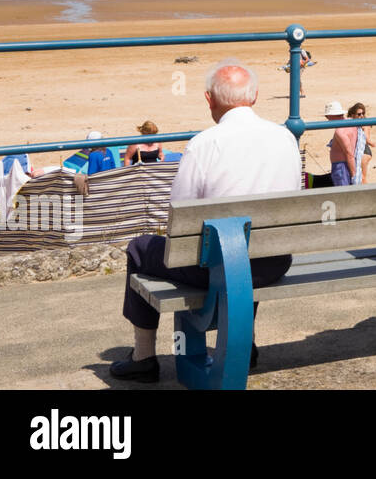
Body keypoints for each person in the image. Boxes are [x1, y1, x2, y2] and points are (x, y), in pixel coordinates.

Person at [111, 60, 301, 382]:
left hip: (217, 271)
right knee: (247, 245)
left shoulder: (204, 144)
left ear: (209, 100)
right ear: (254, 97)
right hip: (274, 263)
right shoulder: (286, 139)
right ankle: (245, 343)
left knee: (139, 249)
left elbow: (179, 217)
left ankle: (143, 357)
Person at [325, 101, 359, 186]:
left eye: (327, 117)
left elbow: (348, 153)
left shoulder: (340, 131)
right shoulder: (351, 123)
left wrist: (354, 175)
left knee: (343, 195)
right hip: (351, 163)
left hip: (341, 167)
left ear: (330, 116)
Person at [347, 102, 373, 184]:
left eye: (363, 113)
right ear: (352, 115)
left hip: (364, 152)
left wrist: (372, 143)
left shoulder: (365, 124)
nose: (361, 116)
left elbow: (367, 139)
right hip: (356, 152)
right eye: (359, 114)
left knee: (362, 177)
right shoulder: (349, 124)